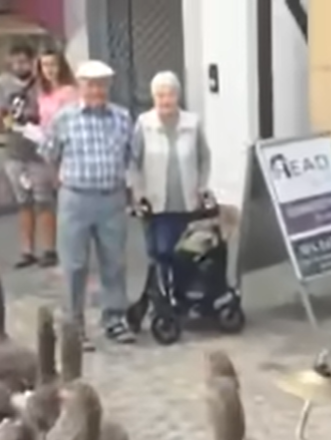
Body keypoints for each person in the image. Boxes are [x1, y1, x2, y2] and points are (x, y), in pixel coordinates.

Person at [41, 60, 135, 346]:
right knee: (74, 264)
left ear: (109, 87)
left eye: (102, 85)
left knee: (114, 262)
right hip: (75, 199)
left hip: (112, 199)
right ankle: (74, 326)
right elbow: (49, 153)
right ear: (80, 86)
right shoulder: (64, 118)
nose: (97, 90)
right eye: (90, 85)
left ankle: (115, 319)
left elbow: (131, 155)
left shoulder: (122, 117)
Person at [129, 70, 212, 265]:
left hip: (186, 201)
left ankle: (179, 290)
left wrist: (202, 187)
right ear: (153, 97)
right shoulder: (144, 123)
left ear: (178, 95)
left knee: (184, 250)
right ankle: (161, 289)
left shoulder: (192, 123)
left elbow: (204, 158)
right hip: (154, 202)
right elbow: (133, 160)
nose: (166, 101)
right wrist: (138, 192)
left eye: (170, 95)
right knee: (159, 250)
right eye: (160, 95)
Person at [0, 44, 57, 269]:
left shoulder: (43, 84)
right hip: (14, 150)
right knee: (23, 204)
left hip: (38, 152)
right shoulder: (3, 84)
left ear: (32, 62)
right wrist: (7, 121)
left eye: (23, 61)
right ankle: (26, 250)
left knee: (44, 202)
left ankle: (49, 249)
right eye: (15, 62)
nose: (19, 66)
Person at [26, 49, 78, 269]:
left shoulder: (70, 92)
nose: (49, 70)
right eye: (45, 65)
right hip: (44, 149)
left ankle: (72, 248)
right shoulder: (42, 94)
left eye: (53, 65)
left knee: (68, 205)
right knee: (44, 202)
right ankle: (50, 249)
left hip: (66, 152)